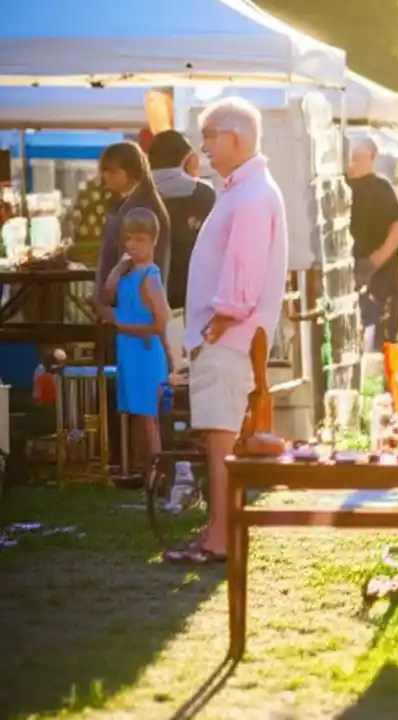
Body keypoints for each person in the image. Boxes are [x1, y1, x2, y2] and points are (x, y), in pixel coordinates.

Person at [165, 97, 288, 565]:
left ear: (235, 137)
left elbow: (244, 268)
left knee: (220, 446)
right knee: (218, 443)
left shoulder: (253, 194)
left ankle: (220, 538)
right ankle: (215, 531)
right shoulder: (244, 190)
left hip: (228, 338)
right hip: (225, 337)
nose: (205, 148)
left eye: (210, 136)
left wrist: (219, 321)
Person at [100, 207, 174, 482]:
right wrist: (118, 269)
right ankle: (144, 469)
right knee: (135, 414)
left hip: (144, 350)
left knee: (147, 417)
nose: (132, 245)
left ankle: (156, 473)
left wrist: (122, 325)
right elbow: (107, 295)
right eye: (129, 239)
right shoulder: (129, 272)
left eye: (139, 239)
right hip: (129, 350)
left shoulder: (150, 278)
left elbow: (160, 322)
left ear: (153, 241)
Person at [147, 130, 216, 366]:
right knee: (196, 354)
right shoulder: (204, 194)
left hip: (147, 287)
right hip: (194, 282)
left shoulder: (137, 196)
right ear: (184, 157)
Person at [347, 138, 398, 349]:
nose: (352, 161)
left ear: (370, 156)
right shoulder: (340, 186)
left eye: (357, 156)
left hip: (380, 281)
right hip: (349, 276)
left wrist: (375, 261)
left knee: (379, 341)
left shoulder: (381, 187)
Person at [94, 142, 171, 303]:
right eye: (105, 170)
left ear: (131, 172)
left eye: (113, 171)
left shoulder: (142, 208)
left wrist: (109, 290)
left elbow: (135, 255)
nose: (107, 176)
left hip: (133, 301)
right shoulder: (131, 202)